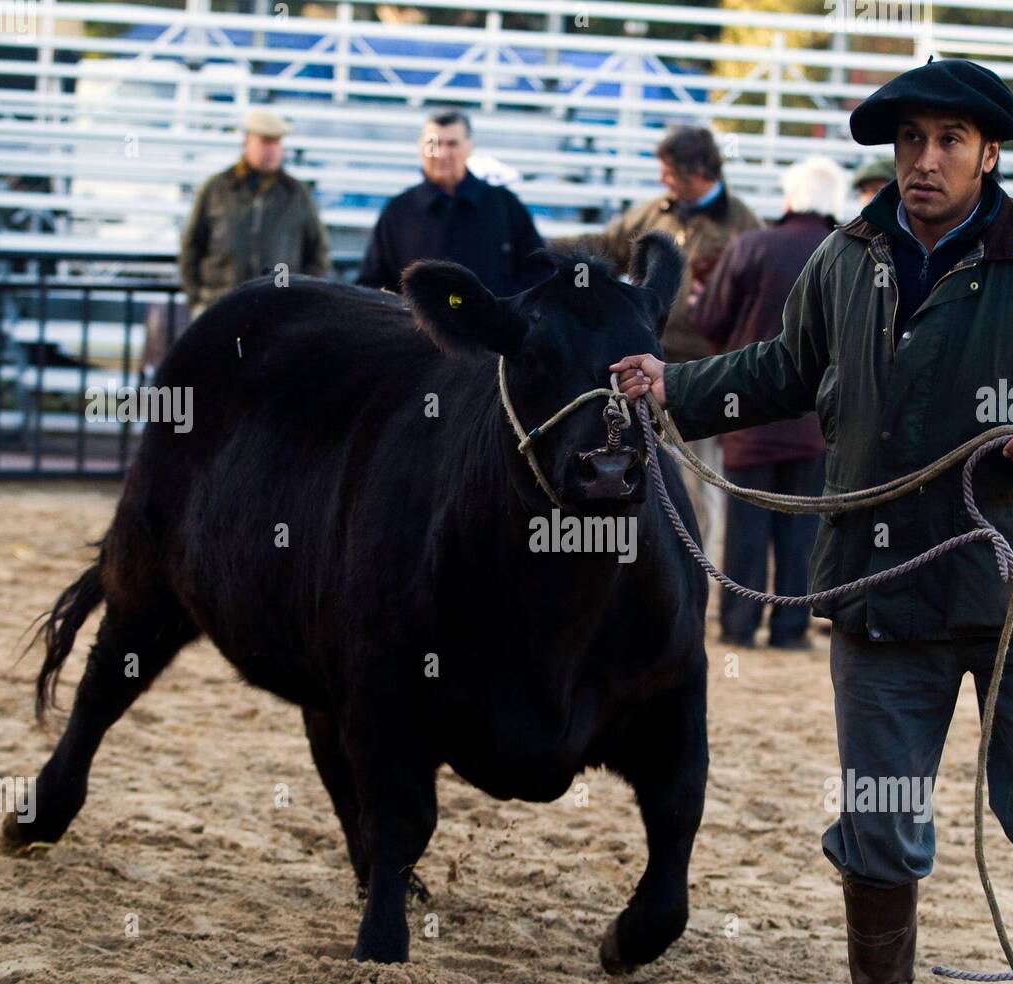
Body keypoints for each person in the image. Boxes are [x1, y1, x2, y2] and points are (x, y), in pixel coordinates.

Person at [609, 58, 1013, 984]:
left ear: (989, 153)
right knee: (877, 811)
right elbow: (779, 368)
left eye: (948, 141)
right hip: (878, 594)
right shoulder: (846, 255)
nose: (924, 160)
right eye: (910, 141)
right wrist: (670, 389)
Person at [555, 126, 760, 546]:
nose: (662, 179)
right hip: (645, 373)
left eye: (669, 172)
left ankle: (697, 564)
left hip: (704, 374)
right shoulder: (653, 214)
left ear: (697, 171)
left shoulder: (743, 225)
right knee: (646, 472)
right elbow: (604, 244)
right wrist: (548, 249)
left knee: (702, 484)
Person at [688, 157, 844, 651]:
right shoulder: (849, 256)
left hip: (750, 412)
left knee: (747, 526)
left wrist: (699, 299)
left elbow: (710, 321)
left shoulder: (750, 246)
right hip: (820, 419)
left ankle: (738, 624)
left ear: (789, 198)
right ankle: (790, 627)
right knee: (801, 529)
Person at [356, 110, 551, 296]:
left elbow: (540, 271)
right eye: (434, 143)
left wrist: (501, 307)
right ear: (421, 147)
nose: (442, 153)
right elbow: (372, 283)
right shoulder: (397, 211)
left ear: (469, 147)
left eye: (452, 144)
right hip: (414, 329)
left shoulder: (504, 205)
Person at [179, 108, 329, 320]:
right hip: (221, 307)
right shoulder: (216, 189)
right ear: (246, 143)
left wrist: (297, 295)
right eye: (265, 141)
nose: (272, 150)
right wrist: (198, 300)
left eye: (277, 142)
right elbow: (192, 247)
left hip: (277, 310)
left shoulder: (295, 193)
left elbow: (317, 251)